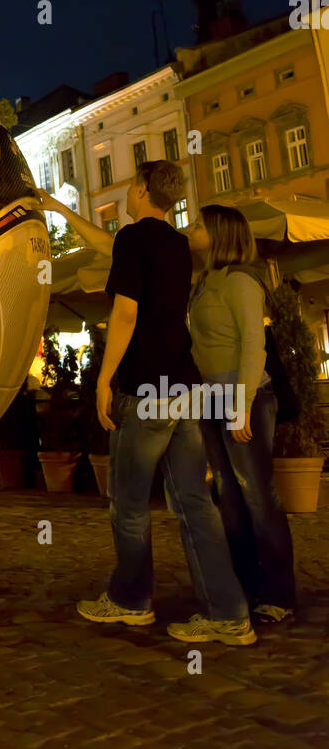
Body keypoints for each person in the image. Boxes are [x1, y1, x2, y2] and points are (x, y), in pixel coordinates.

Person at [66, 161, 256, 645]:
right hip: (184, 387)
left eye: (132, 185)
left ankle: (131, 601)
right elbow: (117, 258)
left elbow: (125, 314)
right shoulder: (178, 245)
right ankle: (229, 613)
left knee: (128, 504)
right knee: (195, 502)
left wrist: (103, 379)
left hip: (145, 388)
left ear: (143, 188)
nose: (129, 193)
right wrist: (59, 212)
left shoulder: (134, 237)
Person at [186, 205, 296, 623]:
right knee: (229, 498)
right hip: (212, 397)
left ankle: (279, 595)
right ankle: (245, 587)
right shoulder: (203, 281)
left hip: (242, 395)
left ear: (219, 234)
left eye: (197, 224)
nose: (190, 228)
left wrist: (242, 402)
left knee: (257, 494)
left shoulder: (239, 281)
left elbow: (254, 343)